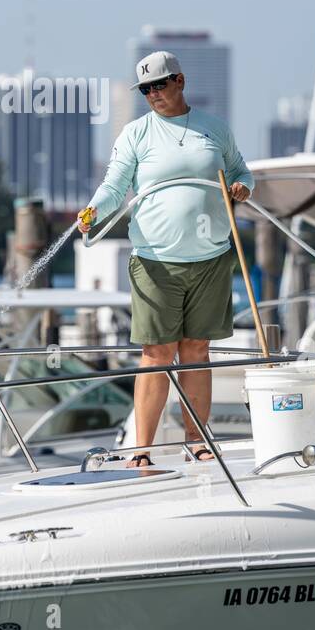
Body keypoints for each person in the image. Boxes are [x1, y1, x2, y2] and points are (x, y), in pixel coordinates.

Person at [78, 51, 253, 466]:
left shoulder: (215, 129)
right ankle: (143, 449)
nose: (153, 94)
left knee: (197, 350)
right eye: (145, 89)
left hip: (212, 258)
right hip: (155, 260)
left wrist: (245, 188)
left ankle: (197, 440)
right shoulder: (136, 133)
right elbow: (114, 185)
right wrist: (92, 212)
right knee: (157, 353)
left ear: (180, 80)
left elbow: (242, 172)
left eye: (159, 85)